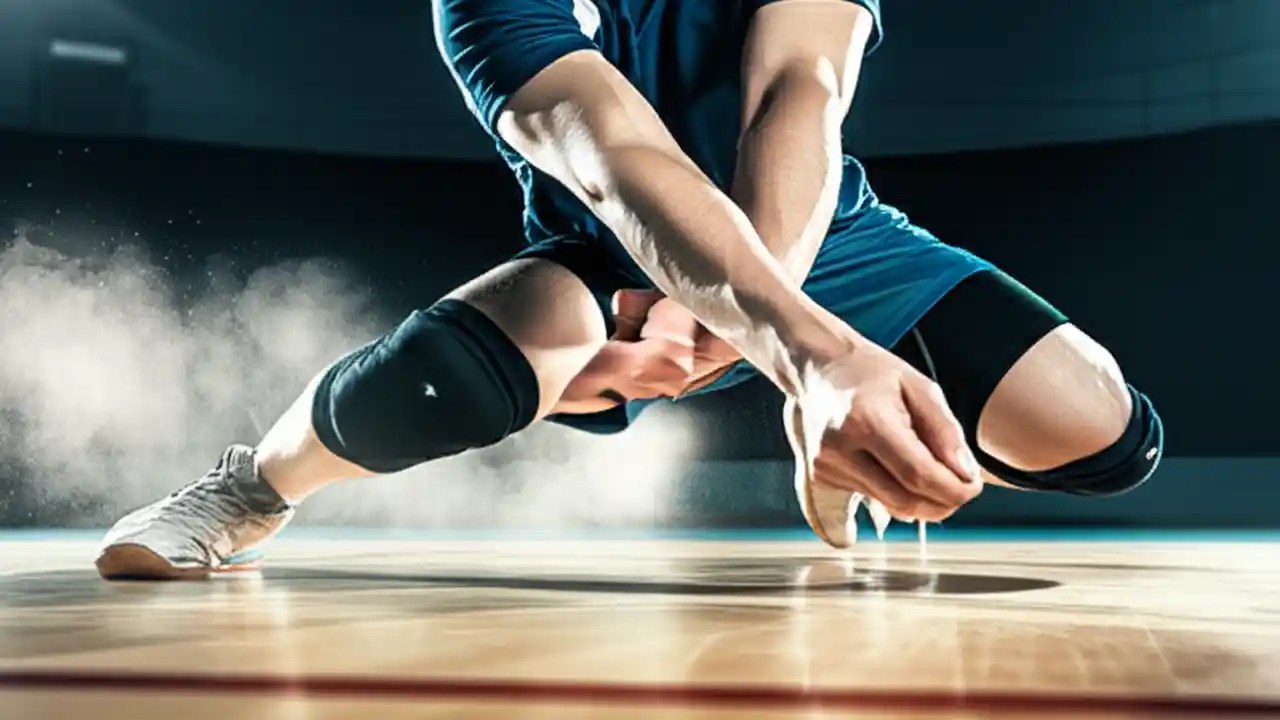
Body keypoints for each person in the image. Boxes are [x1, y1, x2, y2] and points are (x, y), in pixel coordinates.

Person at [96, 0, 1162, 579]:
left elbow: (799, 95)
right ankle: (250, 490)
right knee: (446, 376)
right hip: (608, 251)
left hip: (823, 234)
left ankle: (819, 417)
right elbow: (614, 159)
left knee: (1107, 440)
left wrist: (788, 344)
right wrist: (799, 349)